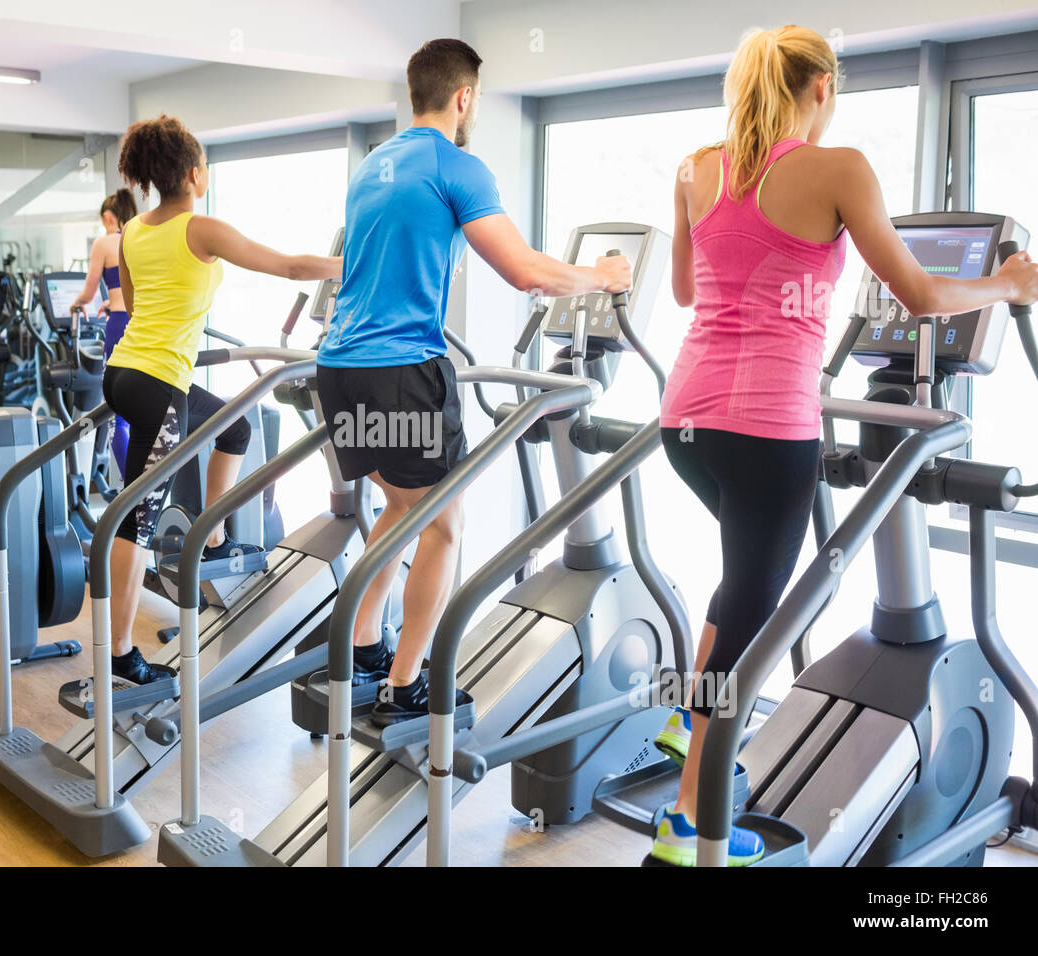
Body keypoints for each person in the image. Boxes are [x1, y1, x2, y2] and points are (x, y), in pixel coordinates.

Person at [650, 24, 1038, 867]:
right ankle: (691, 823)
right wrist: (1007, 283)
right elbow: (925, 292)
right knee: (757, 608)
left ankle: (691, 727)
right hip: (764, 426)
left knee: (741, 585)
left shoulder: (694, 166)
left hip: (683, 422)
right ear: (821, 87)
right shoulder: (838, 168)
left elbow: (685, 291)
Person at [316, 38, 632, 727]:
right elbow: (525, 272)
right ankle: (405, 689)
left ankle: (366, 647)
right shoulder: (458, 165)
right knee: (445, 527)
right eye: (479, 99)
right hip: (399, 370)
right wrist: (603, 278)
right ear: (464, 97)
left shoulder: (374, 164)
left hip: (338, 369)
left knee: (404, 510)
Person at [103, 114, 342, 685]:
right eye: (205, 163)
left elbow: (135, 306)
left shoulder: (133, 232)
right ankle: (117, 652)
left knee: (234, 429)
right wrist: (351, 266)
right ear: (192, 172)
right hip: (159, 385)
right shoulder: (199, 228)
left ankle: (211, 539)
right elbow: (285, 265)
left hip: (125, 373)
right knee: (137, 521)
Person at [71, 188, 139, 475]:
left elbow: (89, 290)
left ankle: (130, 485)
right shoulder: (142, 237)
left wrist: (77, 304)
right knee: (143, 409)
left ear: (109, 216)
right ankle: (148, 484)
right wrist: (116, 299)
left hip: (119, 326)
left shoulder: (104, 243)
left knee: (118, 417)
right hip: (144, 323)